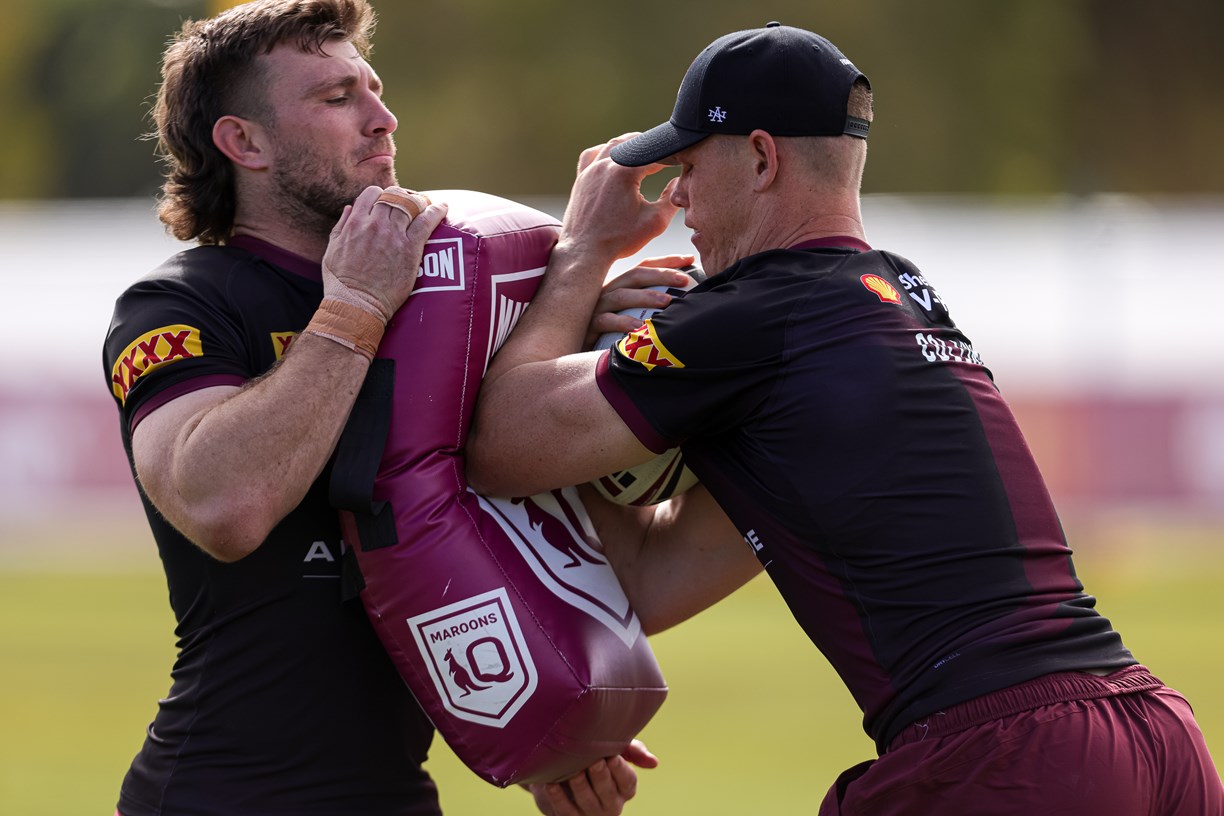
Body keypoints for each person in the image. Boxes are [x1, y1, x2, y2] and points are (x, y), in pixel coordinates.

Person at [466, 22, 1224, 814]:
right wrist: (605, 376)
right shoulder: (893, 293)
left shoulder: (755, 314)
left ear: (762, 159)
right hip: (1153, 739)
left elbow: (502, 444)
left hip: (1008, 760)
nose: (677, 196)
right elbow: (649, 580)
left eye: (689, 166)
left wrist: (582, 254)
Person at [102, 1, 666, 814]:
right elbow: (224, 505)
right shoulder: (176, 305)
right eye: (336, 99)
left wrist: (553, 730)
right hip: (219, 793)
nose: (382, 118)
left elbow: (555, 551)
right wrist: (355, 307)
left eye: (374, 88)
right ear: (244, 143)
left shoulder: (441, 300)